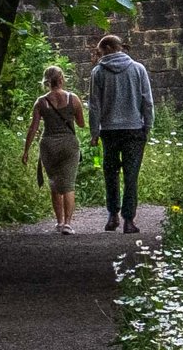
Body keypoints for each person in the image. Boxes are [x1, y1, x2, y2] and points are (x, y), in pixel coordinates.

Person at [85, 33, 155, 233]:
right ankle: (129, 221)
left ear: (107, 49)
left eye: (99, 52)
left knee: (111, 173)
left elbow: (94, 106)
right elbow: (147, 102)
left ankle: (112, 215)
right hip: (134, 130)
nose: (98, 56)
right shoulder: (138, 69)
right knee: (131, 176)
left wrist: (94, 132)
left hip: (109, 131)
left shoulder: (98, 72)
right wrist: (147, 127)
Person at [23, 63, 87, 232]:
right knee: (68, 184)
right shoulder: (73, 99)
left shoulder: (41, 102)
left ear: (47, 81)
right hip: (69, 144)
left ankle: (58, 222)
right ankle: (68, 223)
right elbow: (81, 124)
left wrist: (26, 150)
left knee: (54, 183)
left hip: (48, 145)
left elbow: (33, 128)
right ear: (61, 79)